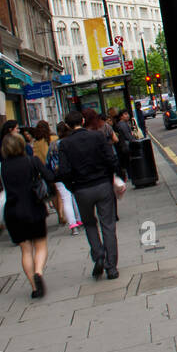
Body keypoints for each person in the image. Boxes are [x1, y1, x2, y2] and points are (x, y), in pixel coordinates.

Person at [55, 108, 121, 280]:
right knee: (108, 225)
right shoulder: (98, 136)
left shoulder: (65, 144)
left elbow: (63, 171)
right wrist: (111, 177)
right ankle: (111, 267)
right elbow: (111, 159)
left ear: (68, 126)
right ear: (83, 121)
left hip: (82, 189)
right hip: (102, 185)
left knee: (90, 224)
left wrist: (72, 188)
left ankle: (98, 255)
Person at [0, 132, 55, 299]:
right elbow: (50, 176)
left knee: (25, 250)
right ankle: (39, 272)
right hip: (34, 208)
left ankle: (35, 288)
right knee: (40, 245)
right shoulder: (32, 161)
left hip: (13, 213)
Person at [107, 108, 132, 183]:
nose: (127, 115)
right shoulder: (119, 124)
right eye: (125, 114)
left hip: (120, 147)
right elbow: (118, 138)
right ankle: (129, 175)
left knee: (126, 163)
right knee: (126, 163)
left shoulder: (118, 124)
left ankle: (129, 175)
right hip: (122, 146)